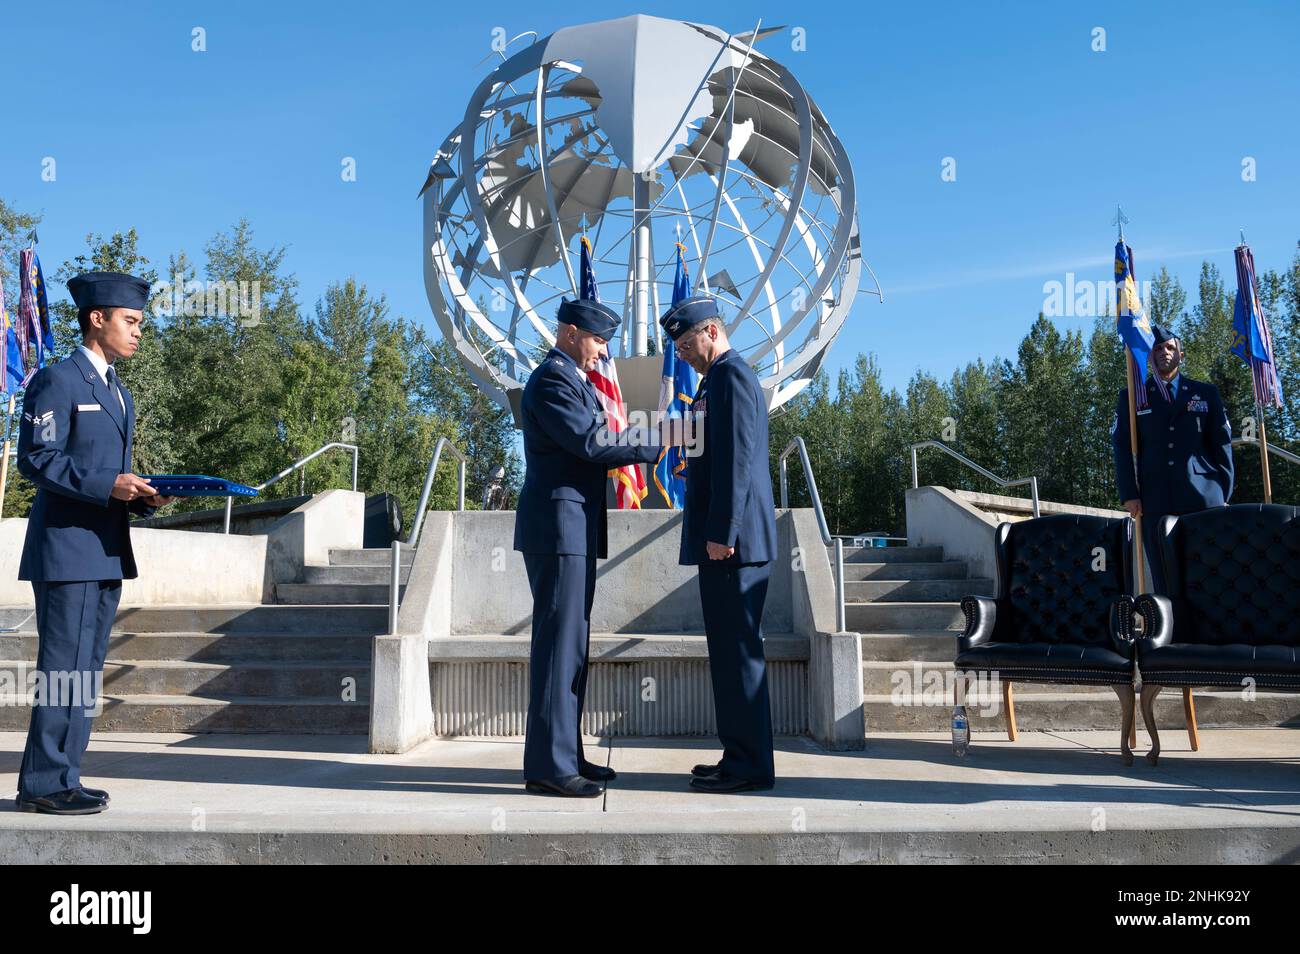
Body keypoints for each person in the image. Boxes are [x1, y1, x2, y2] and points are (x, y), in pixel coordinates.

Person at [14, 271, 176, 815]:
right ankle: (42, 784)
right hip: (66, 550)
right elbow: (37, 459)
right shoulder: (58, 381)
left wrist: (140, 496)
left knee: (84, 669)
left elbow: (108, 475)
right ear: (96, 318)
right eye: (130, 322)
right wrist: (108, 484)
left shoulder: (118, 393)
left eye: (140, 323)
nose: (137, 332)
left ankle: (65, 776)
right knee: (63, 668)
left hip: (104, 548)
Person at [513, 298, 666, 797]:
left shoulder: (572, 379)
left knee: (572, 651)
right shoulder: (553, 379)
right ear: (572, 333)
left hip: (573, 530)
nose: (604, 352)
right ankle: (549, 770)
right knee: (558, 650)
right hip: (557, 532)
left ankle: (566, 755)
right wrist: (654, 442)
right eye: (599, 340)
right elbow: (591, 442)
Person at [661, 295, 777, 793]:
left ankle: (750, 767)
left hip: (735, 544)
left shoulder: (732, 376)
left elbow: (737, 458)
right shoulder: (714, 380)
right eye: (678, 347)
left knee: (740, 656)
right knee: (727, 657)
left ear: (711, 330)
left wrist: (722, 532)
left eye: (687, 343)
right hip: (726, 542)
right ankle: (737, 756)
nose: (682, 354)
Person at [1112, 324, 1234, 594]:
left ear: (1181, 354)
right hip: (1155, 499)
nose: (1164, 353)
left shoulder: (1205, 393)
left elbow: (1221, 444)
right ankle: (1173, 633)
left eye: (1169, 347)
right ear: (1149, 356)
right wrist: (1130, 494)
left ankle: (1209, 633)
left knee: (1209, 571)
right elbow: (1121, 446)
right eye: (1157, 349)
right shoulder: (1134, 396)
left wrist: (1224, 491)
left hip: (1203, 498)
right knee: (1164, 574)